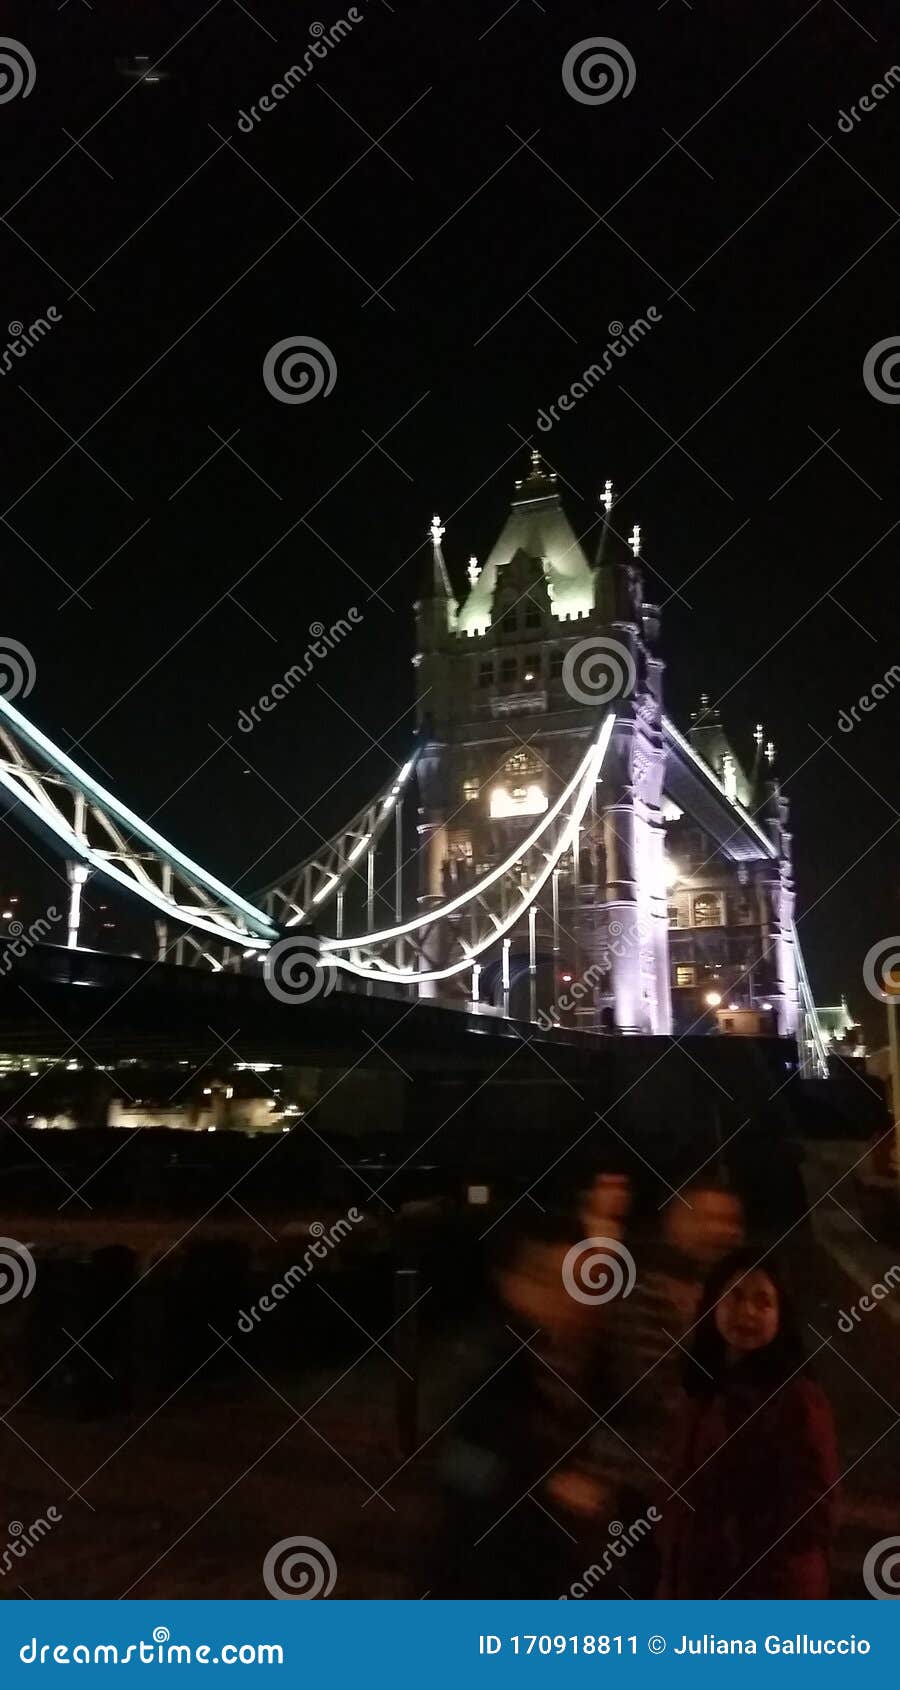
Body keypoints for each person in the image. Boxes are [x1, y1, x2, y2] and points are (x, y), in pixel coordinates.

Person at [430, 1215, 613, 1597]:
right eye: (550, 1281)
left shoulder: (593, 1360)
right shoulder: (488, 1367)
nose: (571, 1297)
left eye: (581, 1281)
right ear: (511, 1284)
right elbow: (462, 1474)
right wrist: (542, 1486)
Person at [658, 1247, 839, 1599]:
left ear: (781, 1316)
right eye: (735, 1297)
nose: (747, 1312)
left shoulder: (797, 1399)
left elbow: (815, 1510)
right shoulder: (702, 1390)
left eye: (763, 1302)